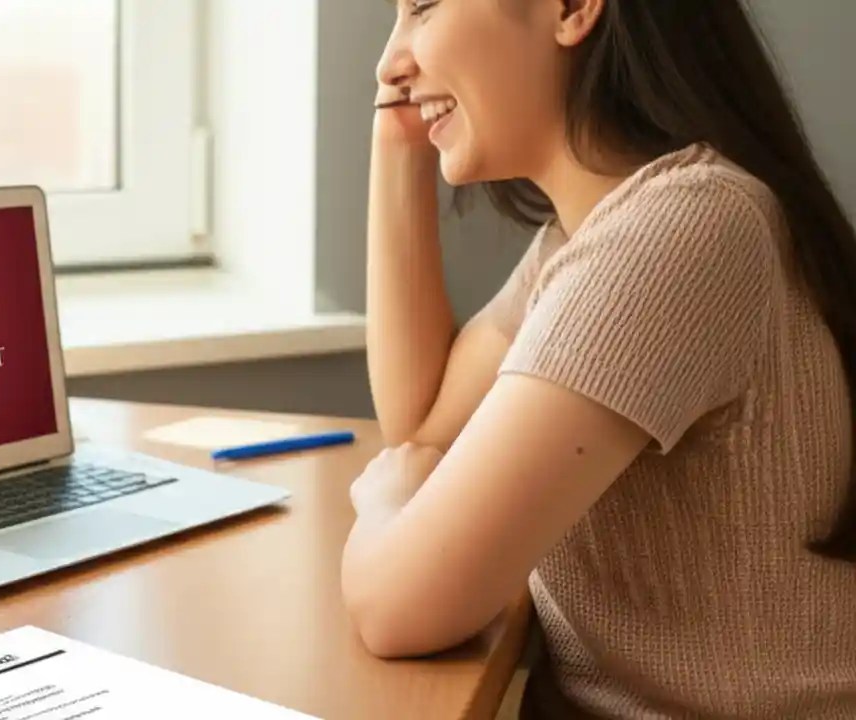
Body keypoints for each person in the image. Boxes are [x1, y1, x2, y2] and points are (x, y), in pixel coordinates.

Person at [340, 0, 856, 717]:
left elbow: (399, 607)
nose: (388, 63)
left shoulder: (682, 229)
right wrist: (396, 141)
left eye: (423, 7)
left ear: (573, 8)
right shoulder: (589, 235)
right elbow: (424, 419)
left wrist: (385, 500)